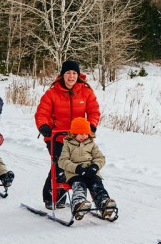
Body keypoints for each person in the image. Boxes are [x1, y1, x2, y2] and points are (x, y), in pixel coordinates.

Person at [34, 60, 101, 206]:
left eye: (74, 73)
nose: (71, 76)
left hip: (79, 137)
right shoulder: (52, 92)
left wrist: (91, 125)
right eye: (68, 73)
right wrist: (43, 125)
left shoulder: (86, 92)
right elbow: (42, 112)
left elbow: (94, 111)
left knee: (81, 165)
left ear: (78, 75)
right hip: (56, 137)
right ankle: (51, 197)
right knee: (60, 166)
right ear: (62, 75)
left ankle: (89, 195)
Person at [56, 117, 116, 218]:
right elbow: (62, 161)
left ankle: (104, 203)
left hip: (90, 172)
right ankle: (79, 205)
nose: (84, 136)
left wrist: (94, 167)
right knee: (79, 186)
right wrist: (77, 168)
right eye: (81, 134)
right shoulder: (68, 145)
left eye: (86, 134)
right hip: (75, 173)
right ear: (74, 134)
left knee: (97, 185)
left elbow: (100, 158)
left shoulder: (91, 144)